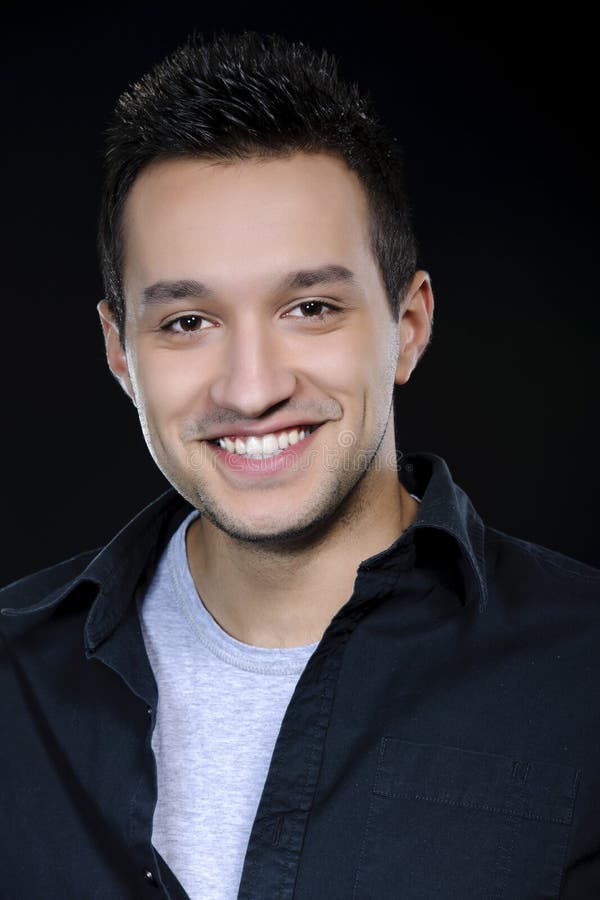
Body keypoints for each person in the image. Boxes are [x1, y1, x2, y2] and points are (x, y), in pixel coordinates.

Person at [1, 29, 598, 900]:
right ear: (120, 352)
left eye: (310, 307)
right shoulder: (12, 683)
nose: (252, 389)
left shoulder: (583, 673)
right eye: (187, 322)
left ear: (409, 326)